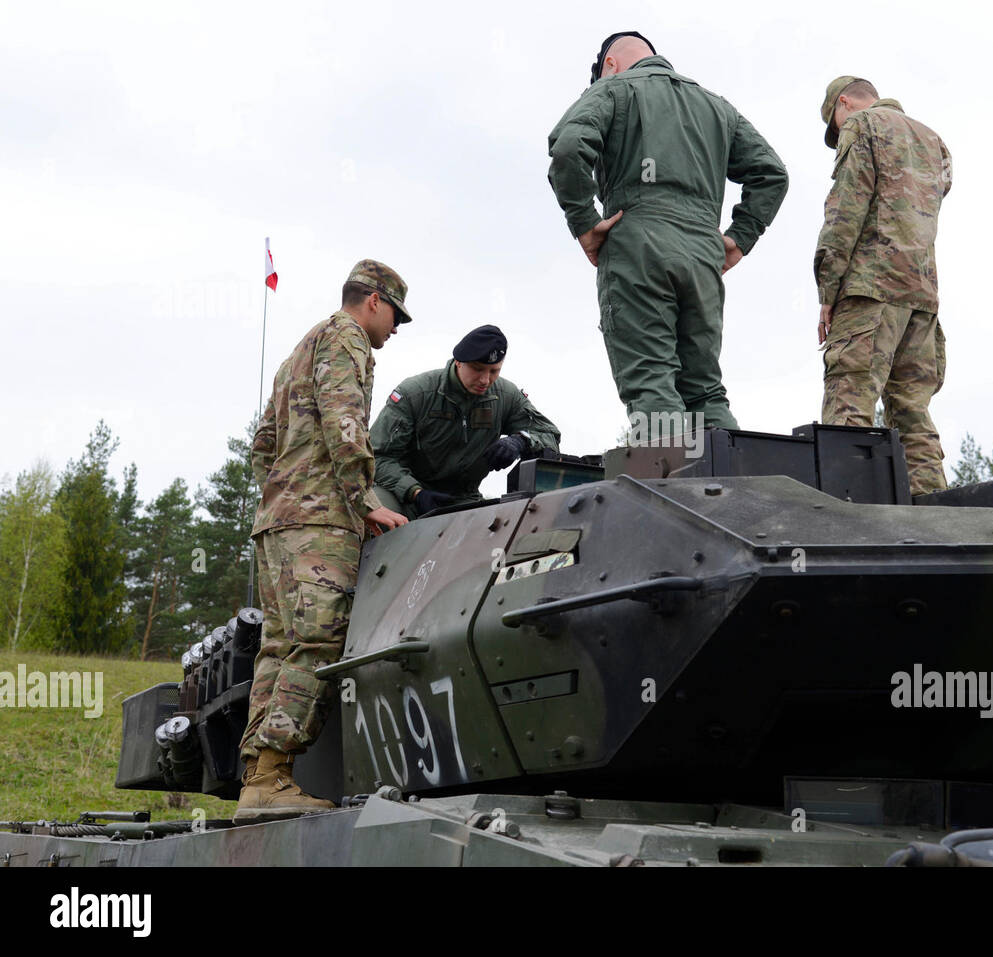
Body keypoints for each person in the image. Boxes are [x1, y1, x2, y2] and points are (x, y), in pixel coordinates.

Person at [235, 259, 412, 822]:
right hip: (320, 524)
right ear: (374, 302)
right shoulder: (348, 337)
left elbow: (263, 441)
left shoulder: (299, 348)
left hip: (280, 520)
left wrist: (283, 492)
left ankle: (259, 777)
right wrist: (365, 502)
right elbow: (344, 422)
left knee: (279, 646)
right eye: (395, 319)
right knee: (318, 643)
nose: (394, 333)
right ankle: (272, 772)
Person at [548, 31, 788, 434]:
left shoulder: (613, 89)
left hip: (638, 244)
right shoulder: (717, 107)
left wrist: (585, 225)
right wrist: (739, 238)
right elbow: (772, 173)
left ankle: (673, 489)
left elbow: (570, 147)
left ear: (610, 65)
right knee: (705, 390)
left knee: (652, 381)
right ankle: (728, 489)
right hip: (703, 257)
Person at [815, 76, 952, 496]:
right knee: (913, 411)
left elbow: (846, 210)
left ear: (843, 105)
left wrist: (828, 293)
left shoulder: (863, 125)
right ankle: (935, 516)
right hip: (922, 297)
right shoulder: (934, 140)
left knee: (849, 401)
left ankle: (847, 516)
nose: (839, 136)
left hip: (870, 290)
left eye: (835, 128)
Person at [372, 325, 561, 516]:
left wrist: (520, 441)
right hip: (406, 495)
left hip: (465, 500)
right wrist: (415, 492)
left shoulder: (506, 396)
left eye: (494, 371)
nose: (485, 380)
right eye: (478, 369)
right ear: (459, 362)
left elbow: (549, 434)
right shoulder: (415, 393)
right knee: (375, 512)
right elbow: (378, 456)